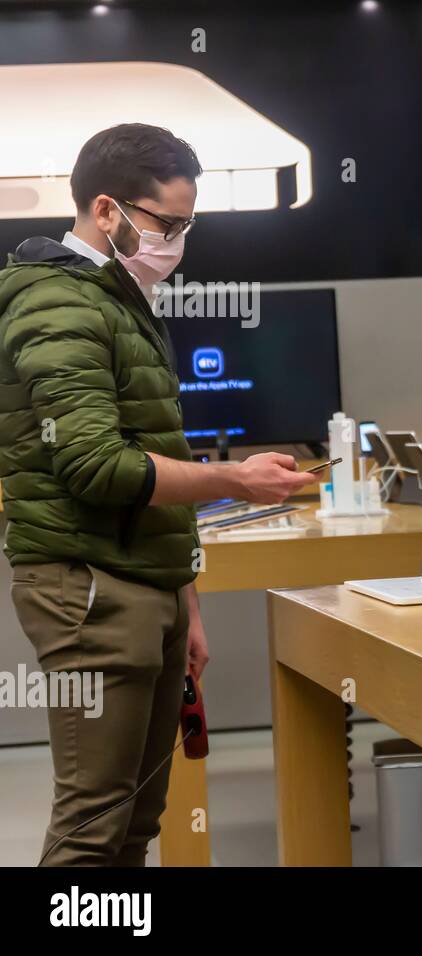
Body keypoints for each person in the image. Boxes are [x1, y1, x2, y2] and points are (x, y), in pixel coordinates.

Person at [0, 123, 316, 865]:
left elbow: (153, 457)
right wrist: (236, 479)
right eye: (165, 224)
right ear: (106, 211)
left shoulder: (115, 297)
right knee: (93, 825)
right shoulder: (59, 304)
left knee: (138, 823)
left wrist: (186, 602)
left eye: (186, 224)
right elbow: (96, 465)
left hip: (146, 582)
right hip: (89, 587)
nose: (177, 240)